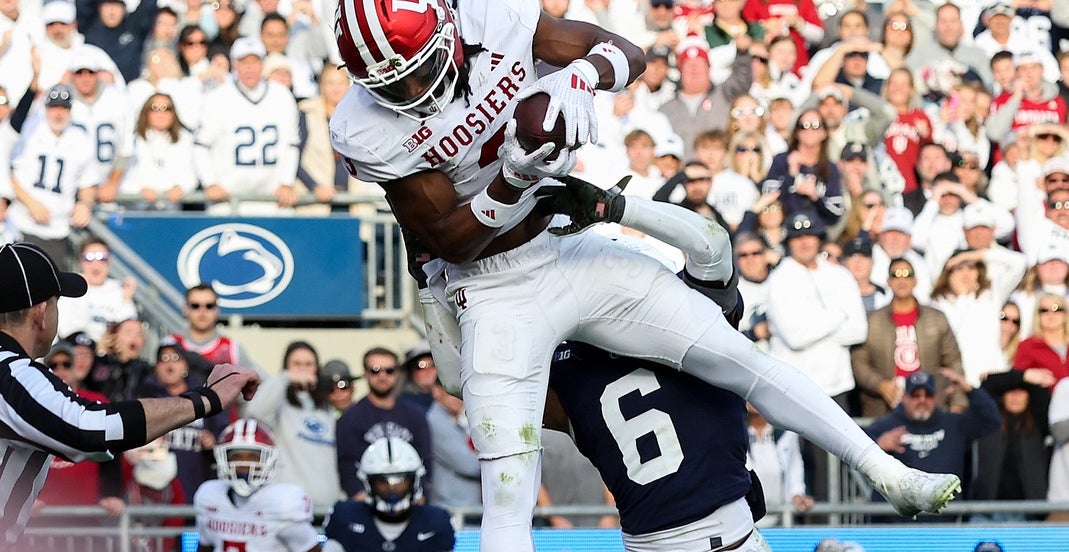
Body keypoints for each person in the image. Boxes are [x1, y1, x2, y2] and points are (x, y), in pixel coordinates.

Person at [330, 2, 960, 548]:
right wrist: (512, 180)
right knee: (508, 488)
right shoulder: (364, 126)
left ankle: (885, 470)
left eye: (417, 71)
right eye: (394, 85)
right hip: (491, 282)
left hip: (563, 246)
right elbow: (447, 238)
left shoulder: (495, 16)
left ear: (449, 27)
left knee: (734, 355)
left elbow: (627, 53)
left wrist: (579, 77)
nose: (413, 94)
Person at [0, 241, 259, 548]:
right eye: (57, 302)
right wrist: (206, 399)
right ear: (41, 313)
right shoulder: (12, 371)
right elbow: (90, 428)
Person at [193, 36, 300, 215]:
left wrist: (287, 182)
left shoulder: (281, 96)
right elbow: (201, 145)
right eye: (244, 62)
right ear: (234, 65)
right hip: (228, 198)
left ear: (263, 64)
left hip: (272, 198)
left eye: (255, 61)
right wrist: (210, 182)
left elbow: (292, 144)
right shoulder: (217, 98)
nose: (250, 68)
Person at [866, 370, 1001, 510]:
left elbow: (991, 420)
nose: (922, 400)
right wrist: (878, 445)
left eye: (928, 395)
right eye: (915, 395)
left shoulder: (954, 424)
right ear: (904, 398)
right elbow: (852, 452)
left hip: (945, 520)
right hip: (896, 521)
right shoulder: (885, 426)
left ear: (936, 398)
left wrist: (970, 390)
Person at [852, 258, 967, 419]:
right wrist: (880, 385)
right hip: (885, 410)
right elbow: (859, 363)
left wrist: (958, 403)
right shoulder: (872, 321)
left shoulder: (936, 318)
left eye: (907, 274)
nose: (902, 280)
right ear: (888, 282)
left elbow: (953, 362)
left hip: (930, 405)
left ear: (915, 281)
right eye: (896, 275)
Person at [194, 418, 321, 551]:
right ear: (223, 459)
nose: (244, 465)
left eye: (253, 457)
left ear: (269, 459)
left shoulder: (283, 502)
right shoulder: (209, 497)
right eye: (236, 457)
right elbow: (205, 547)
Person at [245, 340, 342, 511]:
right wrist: (286, 378)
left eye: (308, 364)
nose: (303, 369)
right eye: (296, 364)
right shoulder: (279, 405)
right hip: (289, 506)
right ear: (286, 367)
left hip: (326, 506)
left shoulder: (327, 407)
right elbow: (255, 412)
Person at [6, 85, 96, 264]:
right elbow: (7, 173)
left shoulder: (80, 139)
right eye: (54, 107)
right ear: (45, 108)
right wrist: (31, 203)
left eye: (63, 107)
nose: (58, 113)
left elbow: (88, 183)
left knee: (51, 289)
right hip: (21, 225)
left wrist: (85, 204)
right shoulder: (29, 130)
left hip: (58, 230)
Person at [323, 437, 455, 552]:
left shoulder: (436, 522)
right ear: (368, 482)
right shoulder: (345, 517)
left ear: (415, 481)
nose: (392, 489)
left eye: (400, 480)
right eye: (383, 481)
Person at [335, 347, 432, 500]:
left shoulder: (416, 416)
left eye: (389, 370)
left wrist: (421, 495)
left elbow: (426, 460)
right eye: (375, 370)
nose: (382, 376)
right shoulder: (350, 418)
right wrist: (359, 496)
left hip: (410, 503)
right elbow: (346, 465)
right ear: (365, 373)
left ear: (397, 372)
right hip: (367, 504)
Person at [172, 283, 258, 381]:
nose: (202, 311)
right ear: (186, 310)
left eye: (209, 306)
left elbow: (251, 388)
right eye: (195, 306)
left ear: (217, 310)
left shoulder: (232, 349)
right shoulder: (170, 344)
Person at [57, 237, 138, 342]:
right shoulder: (71, 288)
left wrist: (127, 299)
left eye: (102, 258)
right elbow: (65, 329)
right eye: (89, 258)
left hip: (110, 352)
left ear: (109, 262)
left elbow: (129, 331)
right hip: (79, 350)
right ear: (81, 261)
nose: (96, 264)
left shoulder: (119, 290)